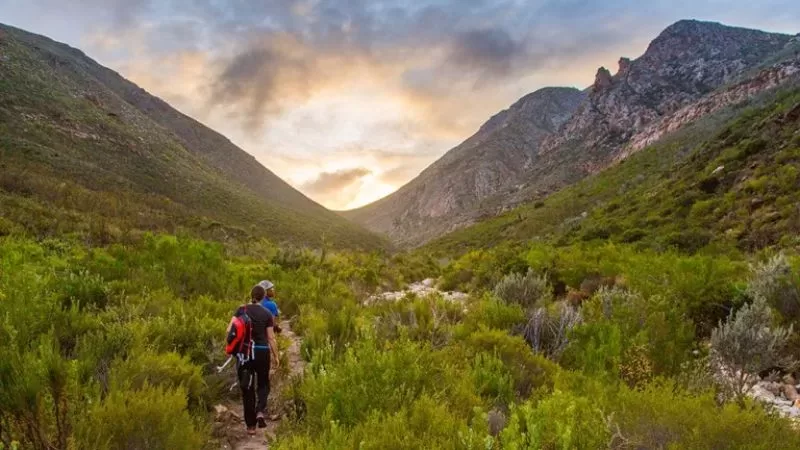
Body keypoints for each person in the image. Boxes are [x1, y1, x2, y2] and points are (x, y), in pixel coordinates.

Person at [228, 285, 280, 435]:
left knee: (247, 388)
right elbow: (271, 337)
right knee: (263, 383)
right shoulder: (267, 313)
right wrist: (276, 355)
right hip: (262, 352)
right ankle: (260, 411)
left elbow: (229, 329)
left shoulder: (241, 310)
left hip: (245, 353)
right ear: (263, 296)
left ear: (251, 295)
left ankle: (250, 427)